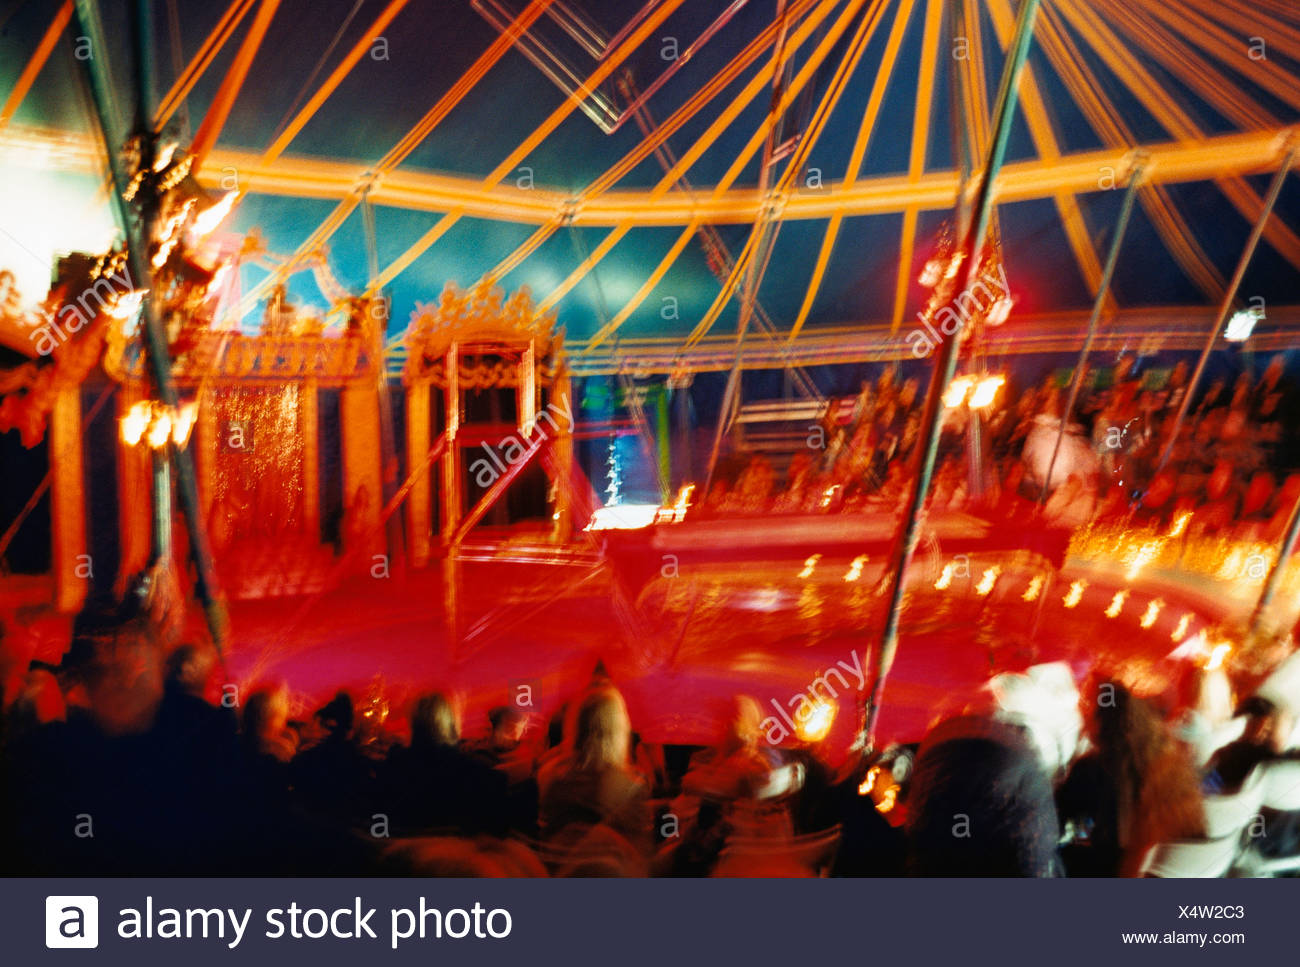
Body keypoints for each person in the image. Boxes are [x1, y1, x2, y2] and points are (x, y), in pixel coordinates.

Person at [1057, 681, 1206, 876]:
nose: (1082, 717)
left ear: (1101, 722)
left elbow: (1055, 819)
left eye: (1087, 709)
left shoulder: (1092, 769)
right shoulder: (1169, 759)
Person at [538, 685, 650, 850]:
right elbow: (638, 851)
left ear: (577, 725)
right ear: (619, 728)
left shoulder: (552, 777)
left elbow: (547, 839)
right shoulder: (632, 787)